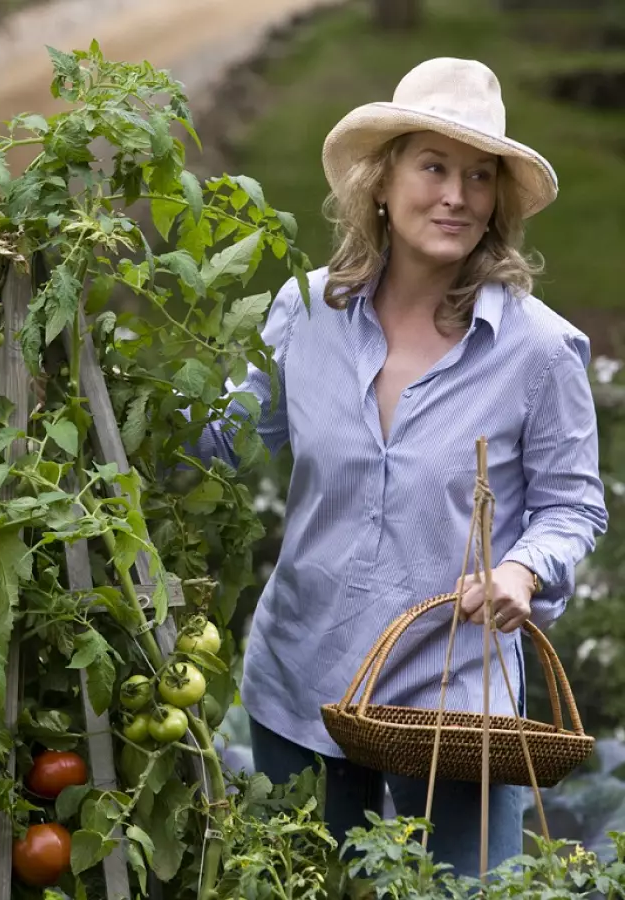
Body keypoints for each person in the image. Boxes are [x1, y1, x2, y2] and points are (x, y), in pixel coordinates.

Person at [197, 57, 608, 876]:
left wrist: (524, 570)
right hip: (300, 676)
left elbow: (574, 507)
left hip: (454, 706)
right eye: (434, 167)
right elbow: (226, 437)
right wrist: (105, 388)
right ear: (380, 183)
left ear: (497, 202)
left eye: (479, 176)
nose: (456, 195)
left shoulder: (537, 350)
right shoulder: (306, 312)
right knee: (304, 887)